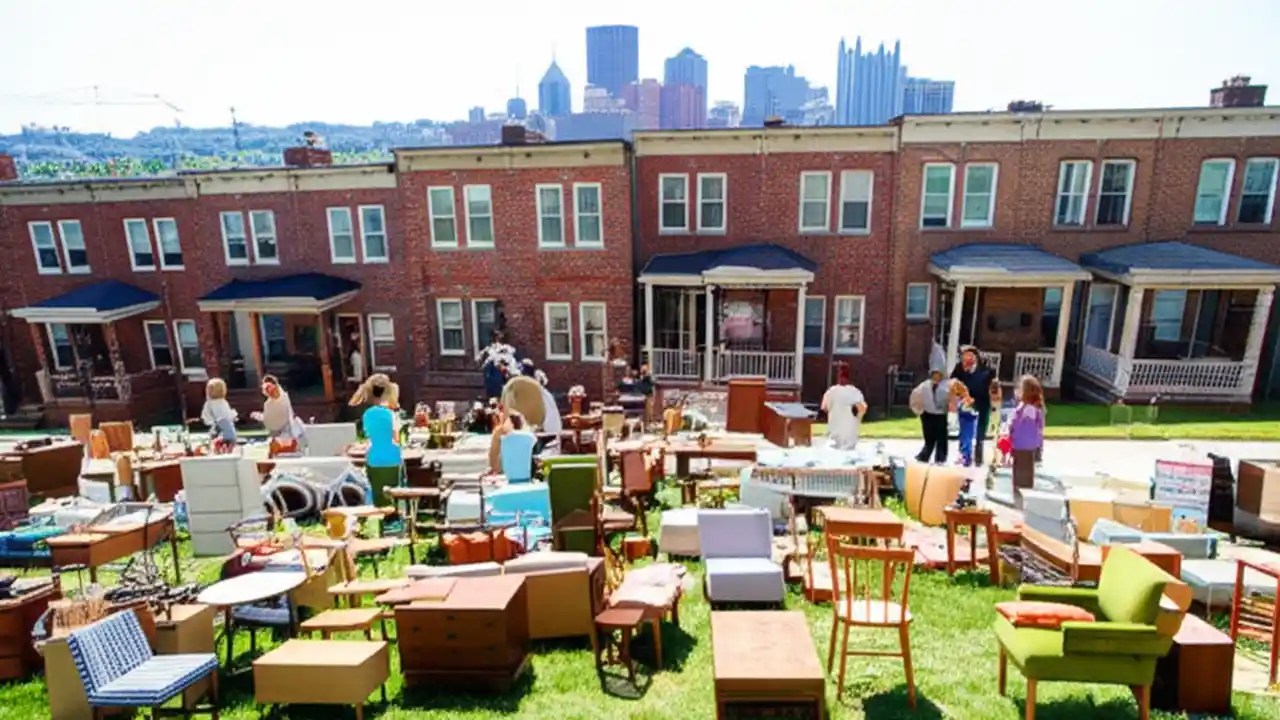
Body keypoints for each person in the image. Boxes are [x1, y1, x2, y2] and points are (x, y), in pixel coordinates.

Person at [349, 373, 402, 503]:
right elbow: (396, 438)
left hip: (373, 459)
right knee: (393, 491)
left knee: (376, 492)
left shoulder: (367, 415)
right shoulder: (391, 414)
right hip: (393, 458)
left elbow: (369, 437)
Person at [951, 345, 997, 466]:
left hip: (982, 402)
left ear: (975, 356)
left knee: (980, 429)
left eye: (969, 356)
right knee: (965, 429)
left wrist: (994, 403)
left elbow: (992, 386)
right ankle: (964, 456)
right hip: (966, 401)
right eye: (963, 357)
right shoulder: (959, 368)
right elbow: (953, 383)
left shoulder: (987, 369)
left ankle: (978, 456)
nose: (965, 360)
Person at [1009, 374, 1046, 507]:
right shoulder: (1025, 407)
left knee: (1022, 478)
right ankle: (1019, 501)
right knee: (1019, 475)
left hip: (1024, 447)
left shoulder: (1029, 409)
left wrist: (1011, 431)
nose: (1016, 391)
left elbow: (1026, 430)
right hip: (1021, 446)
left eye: (1019, 388)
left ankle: (1021, 504)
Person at [912, 359, 951, 464]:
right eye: (935, 374)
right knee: (929, 437)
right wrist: (919, 410)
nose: (937, 376)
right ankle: (924, 455)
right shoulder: (924, 386)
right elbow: (915, 397)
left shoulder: (947, 386)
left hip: (941, 414)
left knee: (941, 437)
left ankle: (940, 458)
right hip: (928, 414)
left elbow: (952, 398)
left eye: (939, 374)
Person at [250, 375, 299, 457]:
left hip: (286, 434)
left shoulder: (280, 399)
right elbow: (269, 419)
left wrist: (258, 416)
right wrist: (258, 416)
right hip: (278, 435)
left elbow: (272, 418)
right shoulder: (270, 403)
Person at [820, 363, 866, 450]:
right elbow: (863, 408)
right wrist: (858, 419)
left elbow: (824, 407)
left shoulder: (831, 391)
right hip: (850, 438)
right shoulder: (855, 392)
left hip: (834, 436)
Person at [200, 378, 238, 453]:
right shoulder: (223, 402)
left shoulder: (209, 404)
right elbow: (228, 415)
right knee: (229, 448)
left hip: (217, 429)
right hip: (228, 429)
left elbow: (206, 417)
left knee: (216, 447)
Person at [953, 381, 979, 466]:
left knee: (967, 439)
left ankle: (967, 457)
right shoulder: (960, 401)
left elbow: (972, 408)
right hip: (963, 421)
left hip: (969, 421)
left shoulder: (969, 400)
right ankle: (964, 456)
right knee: (964, 439)